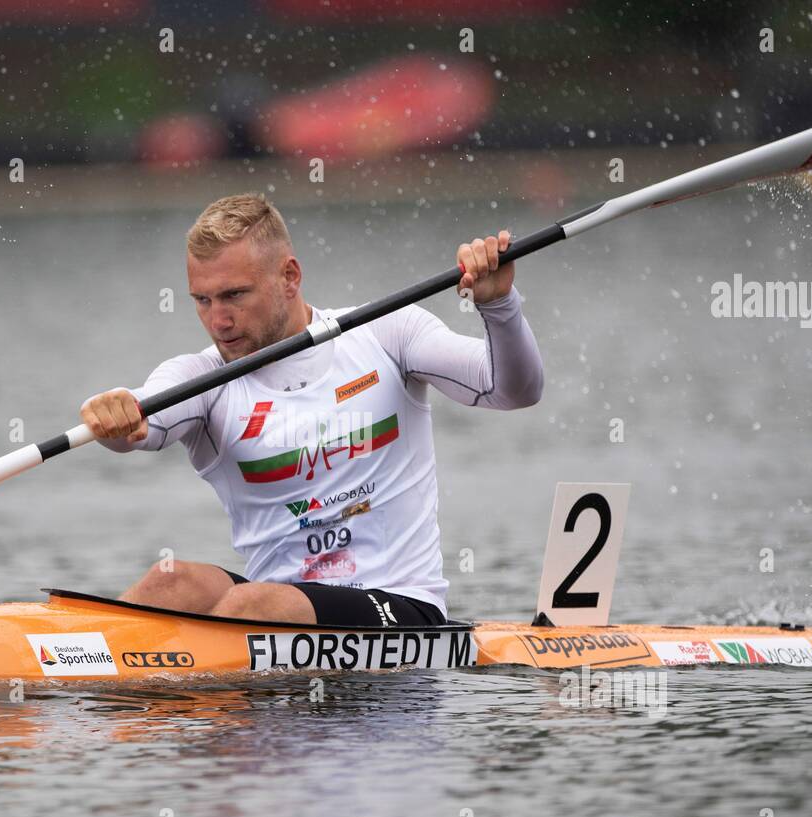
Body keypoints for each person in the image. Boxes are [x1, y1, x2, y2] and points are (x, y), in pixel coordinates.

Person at [81, 194, 544, 627]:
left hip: (400, 611)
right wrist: (115, 416)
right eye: (202, 300)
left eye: (235, 296)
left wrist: (498, 304)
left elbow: (513, 390)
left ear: (289, 277)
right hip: (274, 611)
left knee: (254, 603)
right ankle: (89, 678)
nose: (218, 321)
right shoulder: (203, 378)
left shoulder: (387, 334)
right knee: (170, 582)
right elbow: (142, 424)